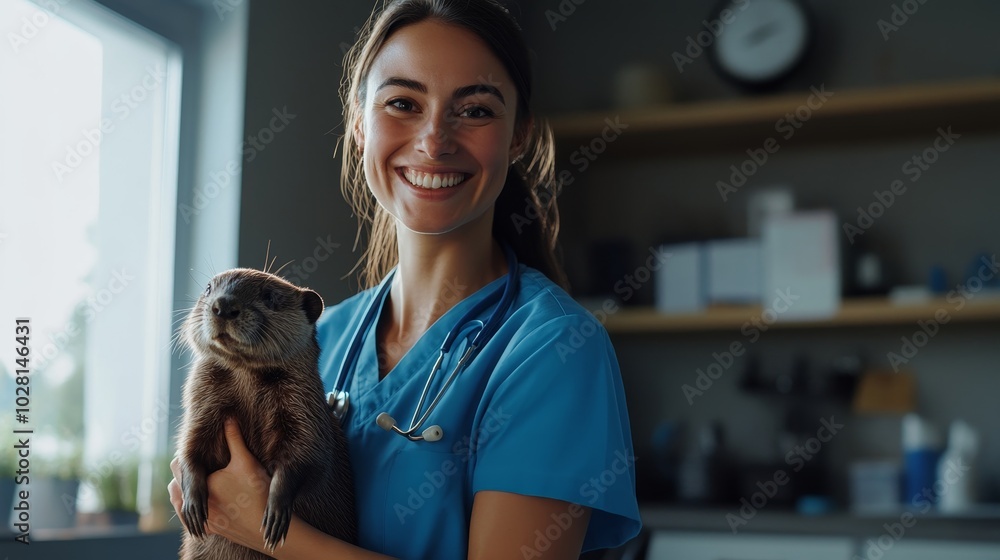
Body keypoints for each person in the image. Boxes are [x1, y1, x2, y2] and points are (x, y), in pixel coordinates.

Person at [168, 0, 641, 558]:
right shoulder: (327, 333)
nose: (435, 139)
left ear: (518, 137)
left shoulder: (555, 349)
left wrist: (270, 532)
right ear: (358, 124)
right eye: (402, 103)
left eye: (476, 110)